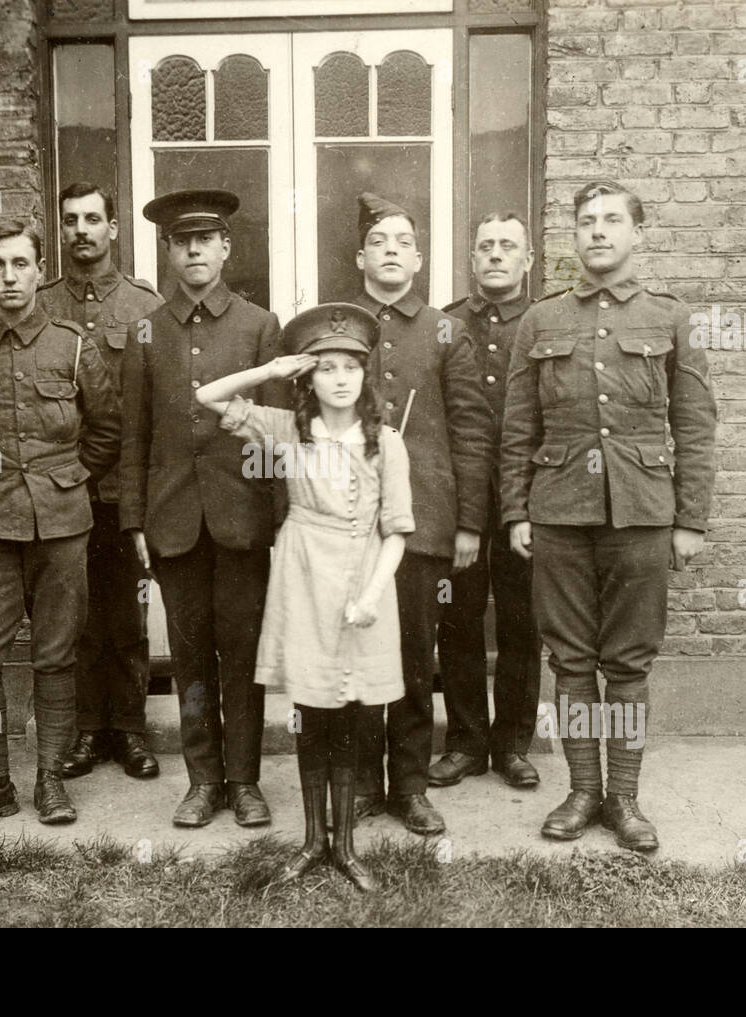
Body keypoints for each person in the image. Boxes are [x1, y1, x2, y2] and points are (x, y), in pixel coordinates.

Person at [501, 181, 717, 851]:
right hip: (559, 511)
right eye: (586, 221)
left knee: (627, 664)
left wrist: (690, 519)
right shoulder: (540, 320)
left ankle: (623, 797)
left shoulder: (670, 318)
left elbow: (696, 422)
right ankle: (581, 790)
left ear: (637, 234)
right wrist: (515, 510)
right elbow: (517, 425)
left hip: (643, 514)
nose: (597, 231)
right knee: (570, 660)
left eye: (612, 220)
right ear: (575, 237)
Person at [196, 303, 413, 892]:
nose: (340, 378)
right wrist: (272, 369)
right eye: (326, 368)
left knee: (350, 715)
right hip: (302, 576)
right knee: (310, 711)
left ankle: (345, 846)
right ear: (308, 378)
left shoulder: (385, 443)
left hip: (362, 583)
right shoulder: (286, 430)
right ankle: (313, 841)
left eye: (351, 367)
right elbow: (210, 396)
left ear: (366, 376)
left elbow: (396, 532)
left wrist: (371, 595)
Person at [0, 219, 121, 829]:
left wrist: (64, 475)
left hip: (63, 525)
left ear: (41, 269)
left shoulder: (71, 345)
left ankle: (50, 780)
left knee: (57, 655)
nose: (9, 277)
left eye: (20, 263)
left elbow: (107, 431)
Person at [120, 189, 290, 829]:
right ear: (168, 251)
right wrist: (134, 519)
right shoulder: (147, 331)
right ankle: (202, 782)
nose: (193, 250)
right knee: (190, 655)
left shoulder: (258, 326)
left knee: (241, 653)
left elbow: (273, 431)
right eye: (181, 241)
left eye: (206, 240)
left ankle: (245, 781)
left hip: (242, 521)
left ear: (225, 249)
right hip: (172, 521)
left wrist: (279, 519)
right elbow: (134, 432)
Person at [349, 193, 496, 836]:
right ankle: (358, 782)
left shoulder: (445, 330)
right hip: (349, 523)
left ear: (418, 257)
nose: (390, 249)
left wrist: (467, 523)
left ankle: (408, 785)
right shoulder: (336, 323)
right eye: (378, 239)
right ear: (360, 255)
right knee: (355, 654)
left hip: (424, 522)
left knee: (414, 657)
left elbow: (470, 432)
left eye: (402, 240)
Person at [38, 182, 163, 781]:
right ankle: (89, 729)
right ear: (61, 231)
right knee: (77, 615)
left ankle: (132, 731)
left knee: (128, 613)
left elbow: (157, 403)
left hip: (122, 490)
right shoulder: (41, 305)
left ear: (114, 228)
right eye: (70, 221)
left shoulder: (144, 307)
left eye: (93, 219)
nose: (81, 230)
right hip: (60, 493)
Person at [433, 212, 542, 790]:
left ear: (528, 260)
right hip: (464, 502)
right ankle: (467, 742)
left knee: (524, 624)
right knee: (459, 618)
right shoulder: (448, 325)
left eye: (508, 247)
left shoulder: (548, 323)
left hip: (530, 498)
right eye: (485, 247)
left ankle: (513, 746)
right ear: (472, 261)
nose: (496, 255)